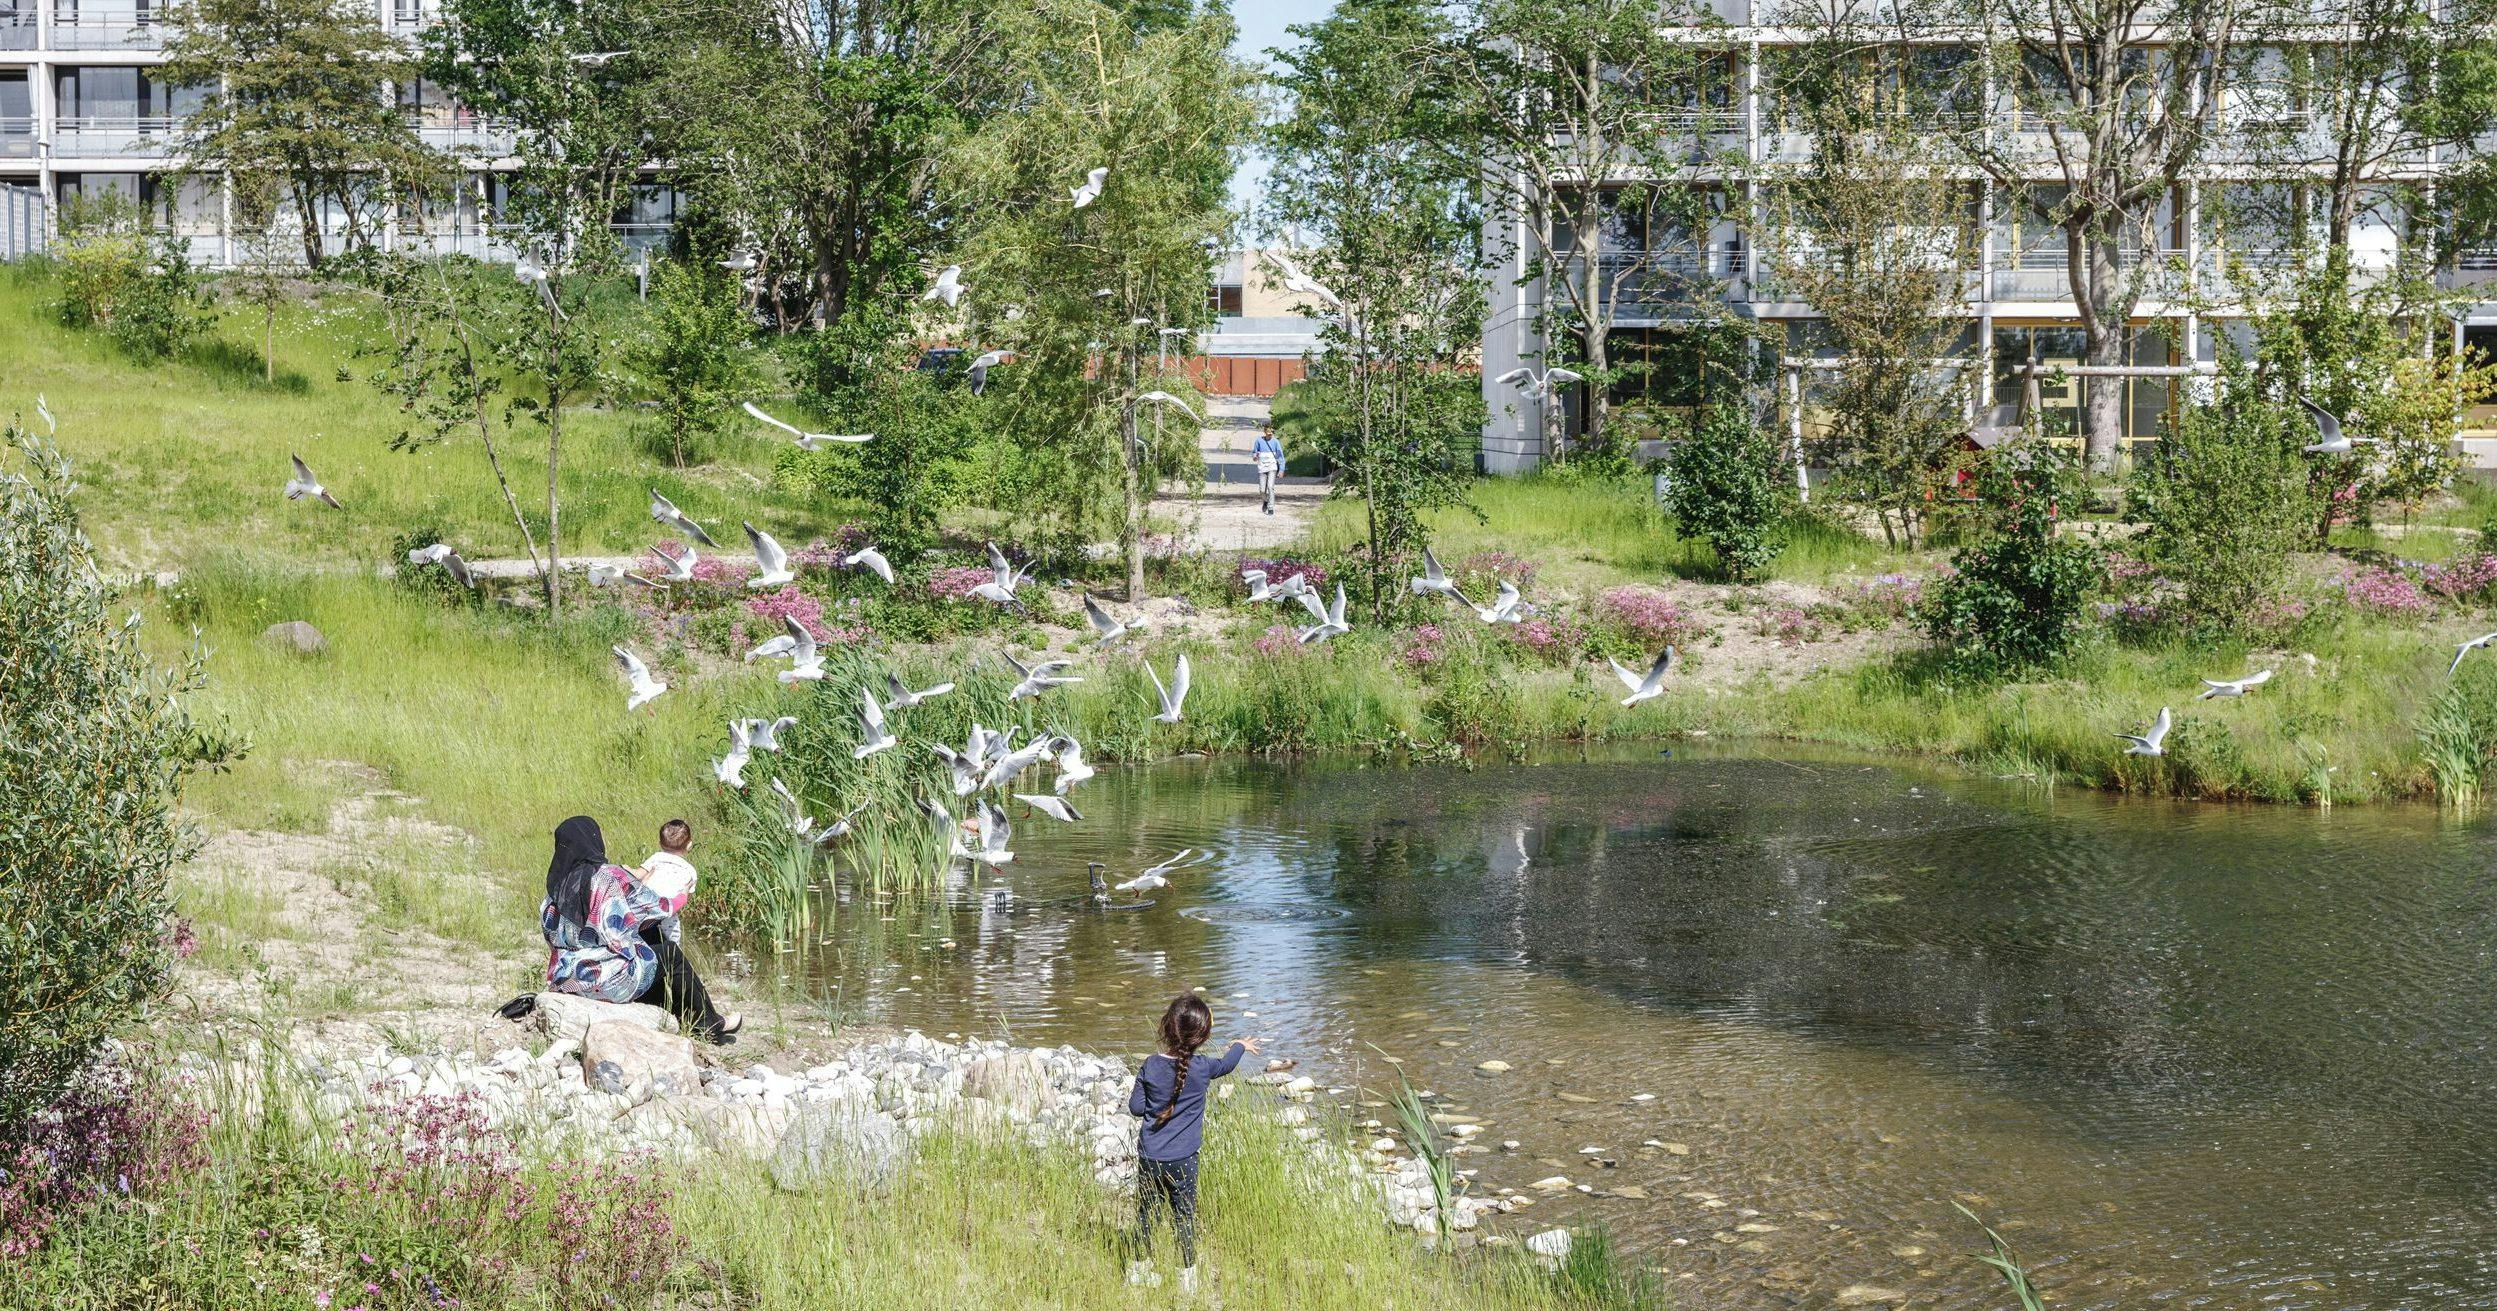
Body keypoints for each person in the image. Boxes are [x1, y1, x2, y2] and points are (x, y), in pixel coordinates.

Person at [538, 816, 740, 1044]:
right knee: (670, 953)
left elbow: (553, 941)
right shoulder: (609, 877)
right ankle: (707, 1023)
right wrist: (682, 894)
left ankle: (662, 1010)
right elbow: (660, 908)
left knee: (645, 944)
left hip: (564, 979)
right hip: (603, 981)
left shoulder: (551, 894)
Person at [1124, 994, 1260, 1292]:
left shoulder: (1150, 1065)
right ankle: (1187, 1282)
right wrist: (1239, 1045)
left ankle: (1137, 1272)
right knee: (1183, 1217)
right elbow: (1227, 1065)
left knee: (1147, 1212)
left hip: (1150, 1157)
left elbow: (1135, 1108)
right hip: (1184, 1159)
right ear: (1203, 1036)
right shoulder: (1203, 1068)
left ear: (1165, 1027)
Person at [637, 818, 698, 945]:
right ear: (689, 845)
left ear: (660, 843)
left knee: (642, 945)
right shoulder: (690, 870)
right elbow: (686, 897)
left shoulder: (656, 858)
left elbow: (637, 876)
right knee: (671, 948)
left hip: (644, 913)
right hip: (669, 914)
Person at [1250, 427, 1284, 517]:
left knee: (1270, 487)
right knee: (1262, 490)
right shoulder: (1258, 441)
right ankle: (1265, 501)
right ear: (1264, 432)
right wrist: (1255, 456)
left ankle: (1271, 508)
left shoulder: (1276, 442)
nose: (1270, 435)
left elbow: (1280, 456)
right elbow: (1254, 453)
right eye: (1268, 433)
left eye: (1271, 433)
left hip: (1272, 467)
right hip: (1262, 468)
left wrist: (1281, 470)